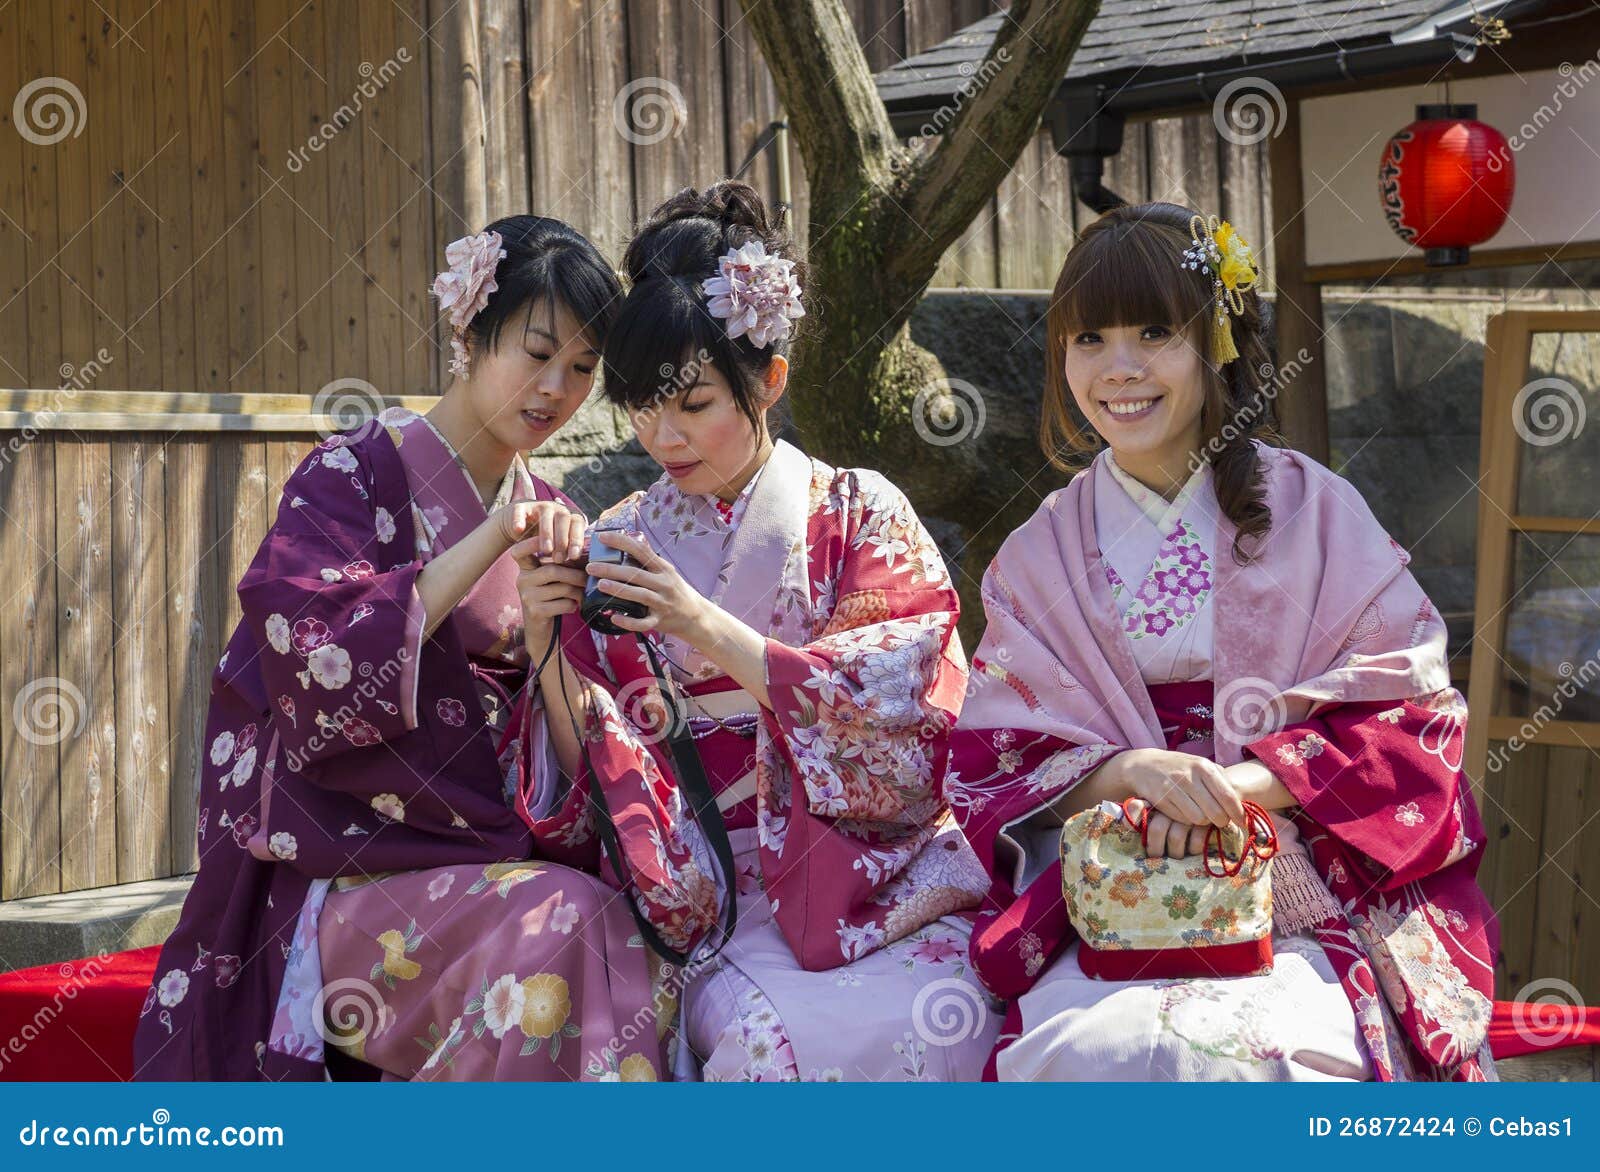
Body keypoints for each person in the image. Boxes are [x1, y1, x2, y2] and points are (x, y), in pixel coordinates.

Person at [947, 201, 1499, 1082]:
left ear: (1218, 344)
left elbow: (1409, 716)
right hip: (1121, 872)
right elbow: (994, 758)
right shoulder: (1039, 550)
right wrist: (1133, 774)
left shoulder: (1315, 509)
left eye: (1156, 332)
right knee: (1087, 1049)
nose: (1119, 369)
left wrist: (1230, 787)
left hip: (1298, 858)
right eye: (1089, 340)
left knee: (1261, 1058)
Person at [133, 217, 663, 1081]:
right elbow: (313, 667)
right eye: (535, 353)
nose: (556, 388)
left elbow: (572, 744)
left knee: (616, 929)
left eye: (581, 368)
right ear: (467, 332)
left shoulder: (553, 511)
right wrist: (489, 539)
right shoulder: (351, 476)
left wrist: (544, 639)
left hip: (488, 852)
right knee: (559, 924)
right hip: (345, 870)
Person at [510, 181, 1001, 1081]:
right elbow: (602, 779)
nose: (662, 434)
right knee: (779, 1048)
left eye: (693, 403)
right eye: (641, 404)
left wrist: (701, 623)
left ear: (770, 378)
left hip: (877, 884)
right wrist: (549, 647)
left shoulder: (860, 511)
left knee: (966, 1013)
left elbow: (916, 707)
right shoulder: (618, 539)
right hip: (711, 893)